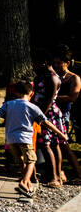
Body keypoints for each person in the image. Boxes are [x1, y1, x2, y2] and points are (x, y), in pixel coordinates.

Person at [0, 81, 67, 197]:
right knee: (31, 160)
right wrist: (61, 134)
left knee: (21, 161)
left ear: (15, 92)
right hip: (25, 139)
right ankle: (24, 181)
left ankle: (27, 184)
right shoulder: (32, 107)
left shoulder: (8, 104)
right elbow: (46, 122)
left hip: (11, 139)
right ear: (31, 94)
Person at [31, 52, 65, 187]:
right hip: (41, 111)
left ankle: (55, 176)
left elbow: (49, 101)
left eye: (36, 62)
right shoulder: (43, 76)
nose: (34, 65)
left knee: (48, 144)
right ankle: (52, 174)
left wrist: (39, 117)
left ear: (45, 62)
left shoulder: (52, 78)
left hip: (48, 114)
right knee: (48, 144)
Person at [51, 45, 81, 181]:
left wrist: (52, 97)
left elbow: (72, 97)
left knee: (62, 144)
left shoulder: (74, 78)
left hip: (64, 114)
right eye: (55, 62)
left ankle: (74, 172)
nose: (56, 65)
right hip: (50, 113)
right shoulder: (52, 75)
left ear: (67, 63)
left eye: (59, 63)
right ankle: (58, 171)